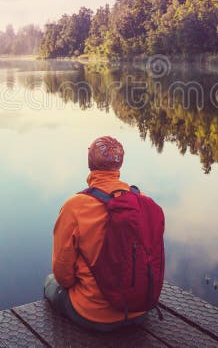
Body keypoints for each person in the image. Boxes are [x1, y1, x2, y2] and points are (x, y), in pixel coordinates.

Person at [44, 136, 165, 331]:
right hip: (140, 311)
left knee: (51, 282)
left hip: (93, 315)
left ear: (90, 162)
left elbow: (63, 275)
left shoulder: (75, 206)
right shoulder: (143, 201)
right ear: (120, 164)